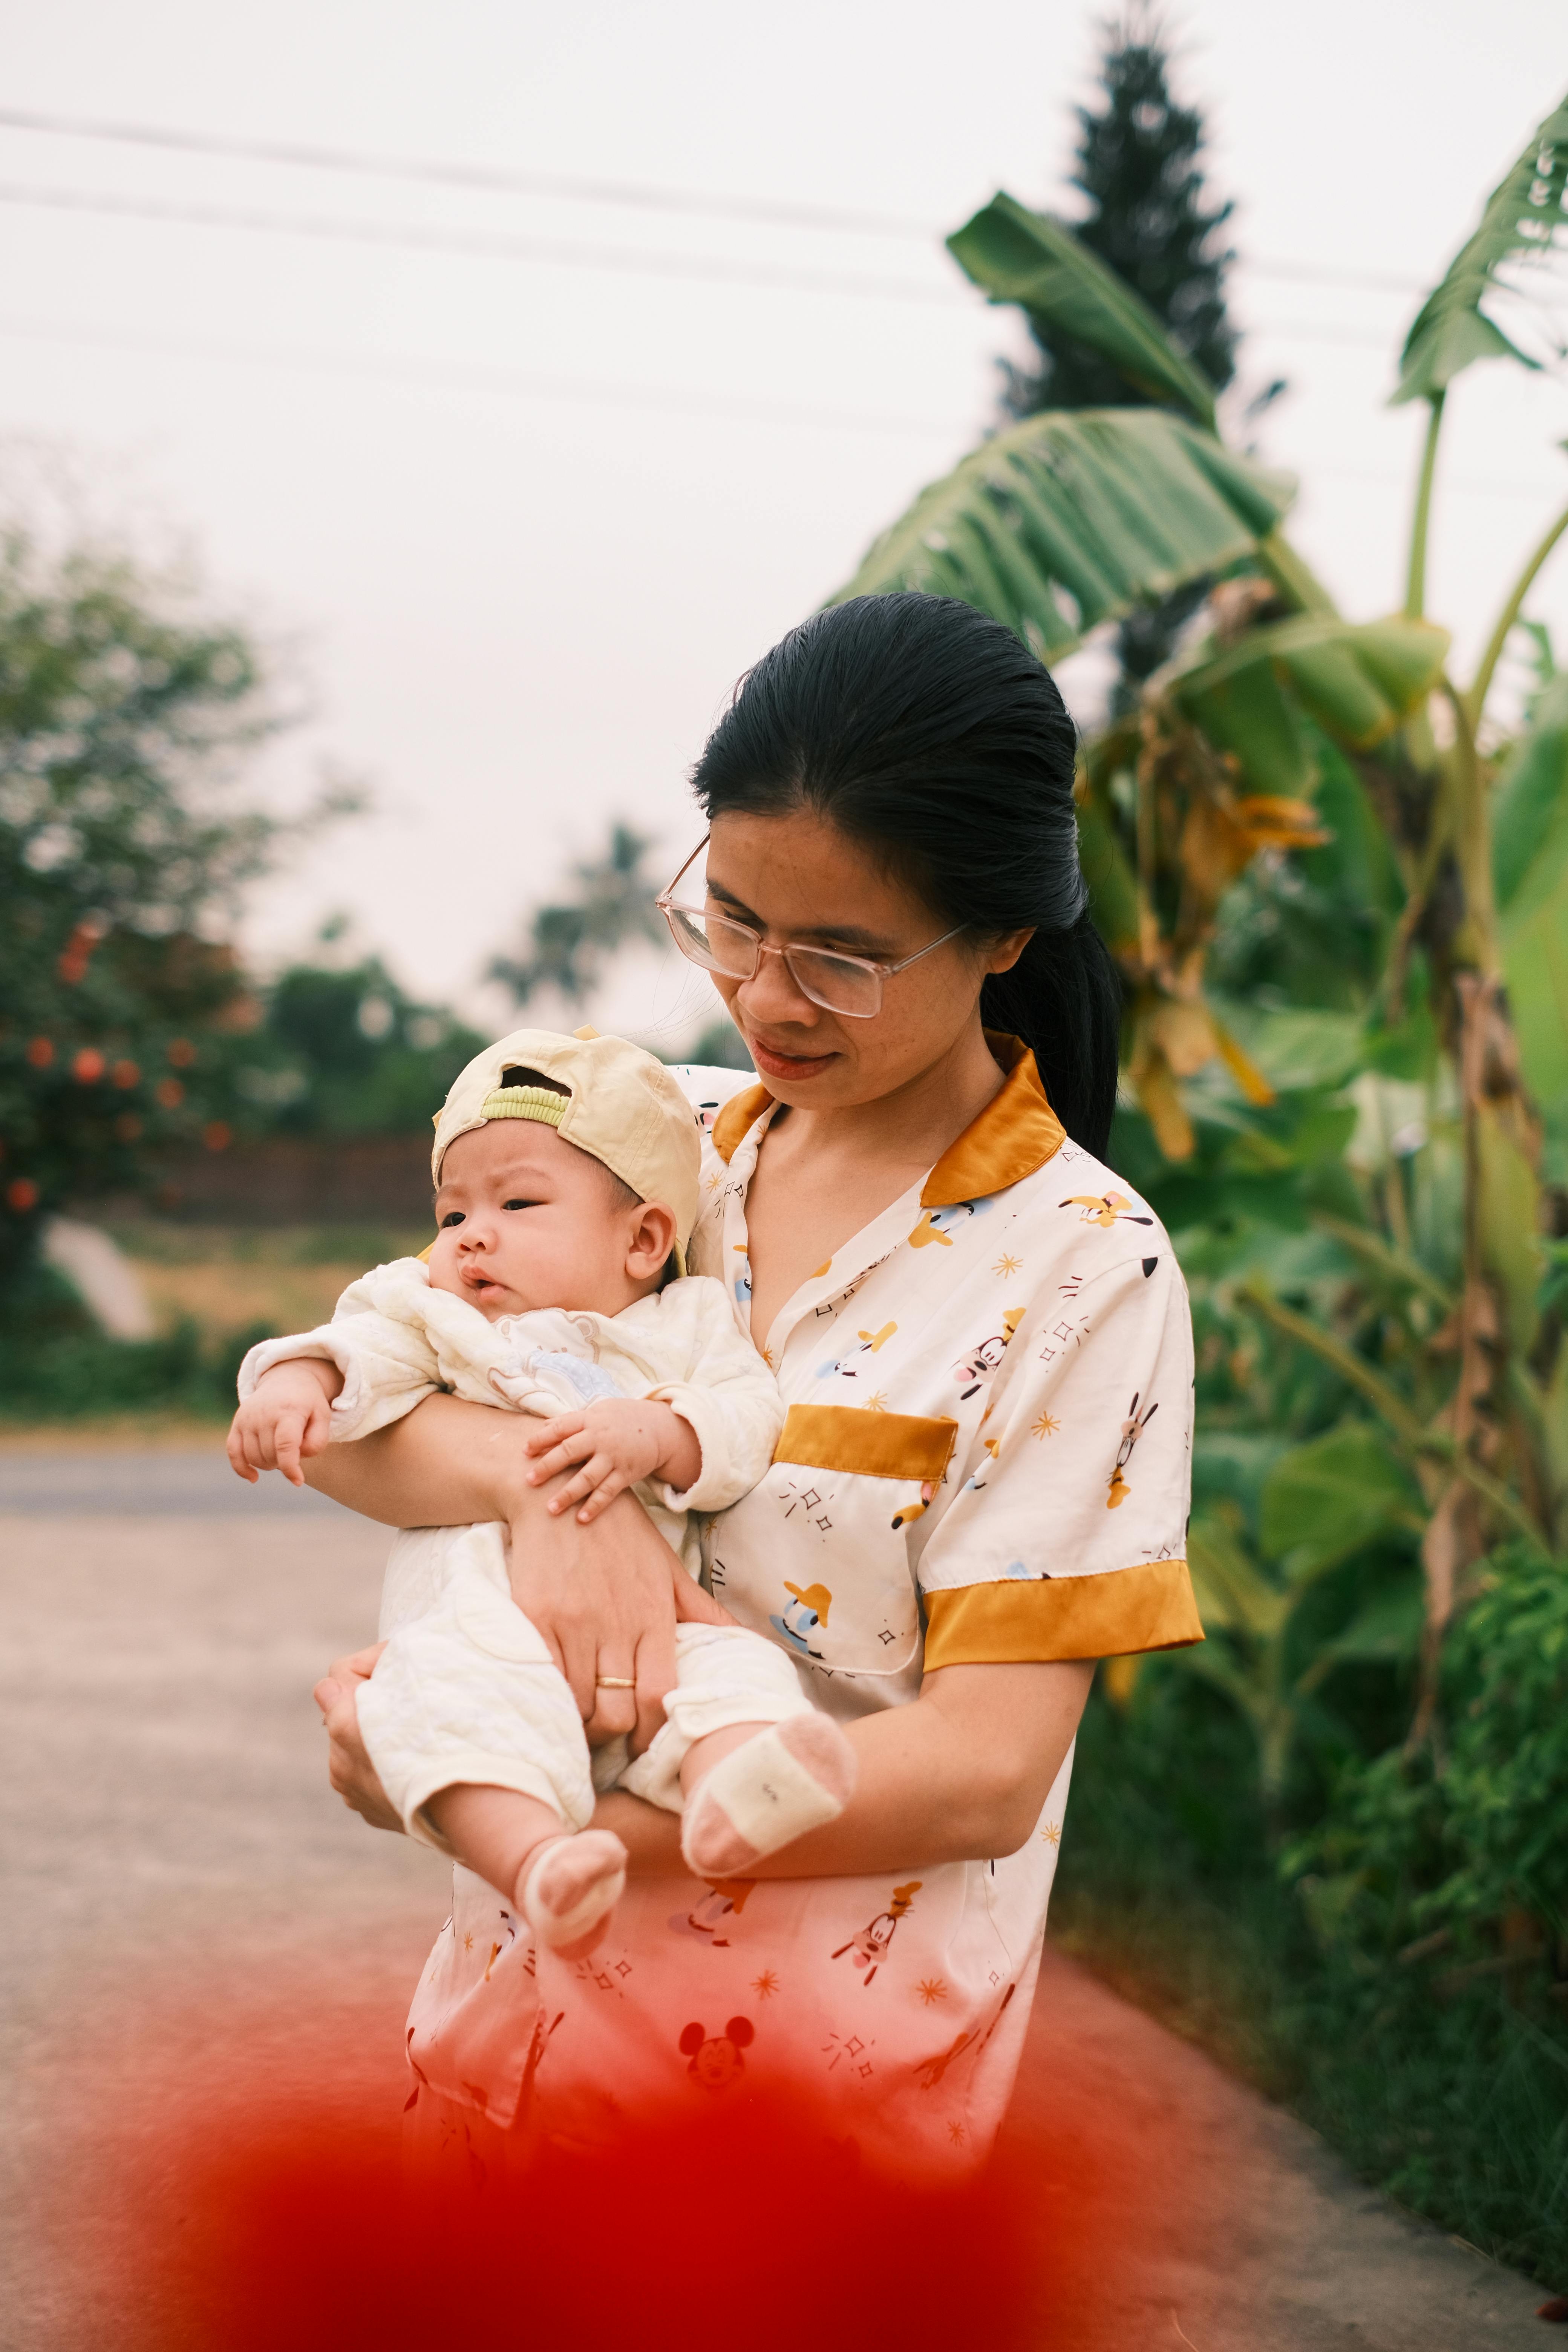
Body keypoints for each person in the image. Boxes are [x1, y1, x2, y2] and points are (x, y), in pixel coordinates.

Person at [306, 593, 1204, 2174]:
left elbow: (984, 1775)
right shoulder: (656, 1148)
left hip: (812, 2136)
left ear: (1002, 936)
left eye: (842, 960)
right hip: (495, 2063)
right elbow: (374, 1412)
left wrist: (501, 1812)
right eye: (731, 922)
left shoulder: (1082, 1266)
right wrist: (557, 1501)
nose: (767, 999)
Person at [227, 1027, 857, 1957]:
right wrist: (293, 1387)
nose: (472, 1234)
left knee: (741, 1675)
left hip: (653, 1636)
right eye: (451, 1216)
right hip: (479, 1615)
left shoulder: (683, 1325)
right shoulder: (432, 1313)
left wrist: (663, 1431)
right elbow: (355, 1354)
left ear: (643, 1237)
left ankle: (734, 1803)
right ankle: (537, 1866)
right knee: (450, 1711)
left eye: (518, 1202)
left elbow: (745, 1414)